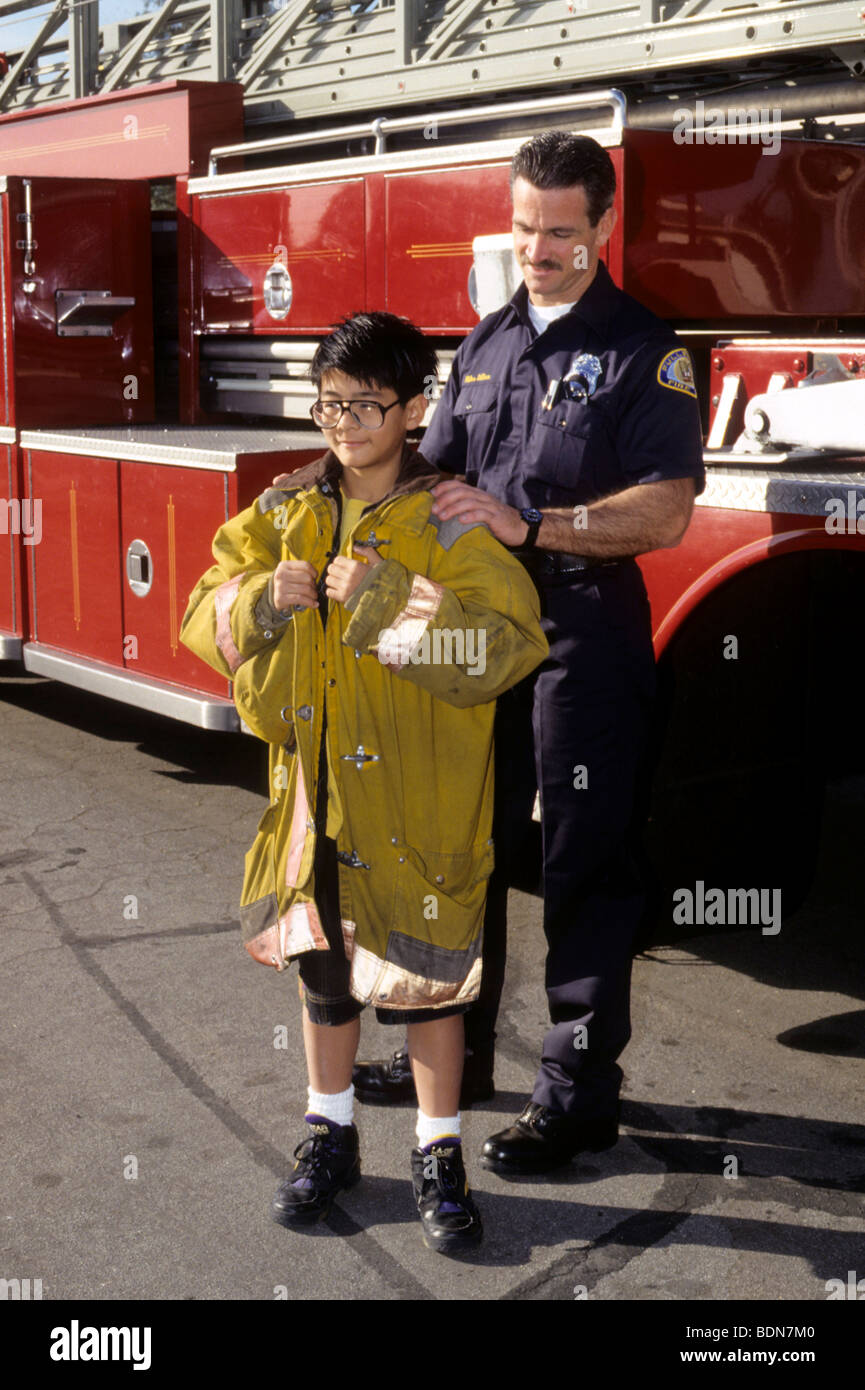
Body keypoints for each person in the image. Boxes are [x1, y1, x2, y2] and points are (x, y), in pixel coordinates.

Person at [352, 131, 705, 1174]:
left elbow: (667, 509)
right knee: (459, 847)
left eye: (559, 232)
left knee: (581, 862)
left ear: (602, 226)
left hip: (580, 634)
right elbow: (435, 477)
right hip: (473, 638)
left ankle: (578, 1093)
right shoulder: (487, 341)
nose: (538, 250)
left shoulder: (647, 348)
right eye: (521, 229)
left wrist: (534, 526)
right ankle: (451, 1059)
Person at [179, 311, 548, 1250]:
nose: (344, 423)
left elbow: (503, 647)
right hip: (315, 805)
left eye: (367, 404)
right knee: (326, 981)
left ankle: (438, 1156)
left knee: (432, 991)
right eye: (329, 403)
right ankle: (328, 1136)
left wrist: (382, 601)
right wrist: (260, 599)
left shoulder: (449, 520)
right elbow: (198, 616)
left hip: (420, 810)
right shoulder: (281, 511)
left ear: (415, 409)